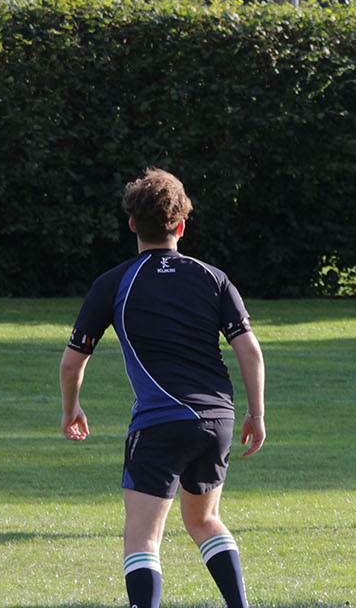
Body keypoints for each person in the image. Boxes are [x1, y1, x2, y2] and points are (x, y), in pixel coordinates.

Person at [59, 168, 266, 608]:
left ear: (132, 224)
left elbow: (74, 359)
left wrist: (71, 407)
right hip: (217, 420)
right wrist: (256, 414)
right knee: (206, 521)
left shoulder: (114, 282)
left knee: (143, 538)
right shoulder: (213, 277)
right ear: (182, 225)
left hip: (160, 422)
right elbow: (250, 351)